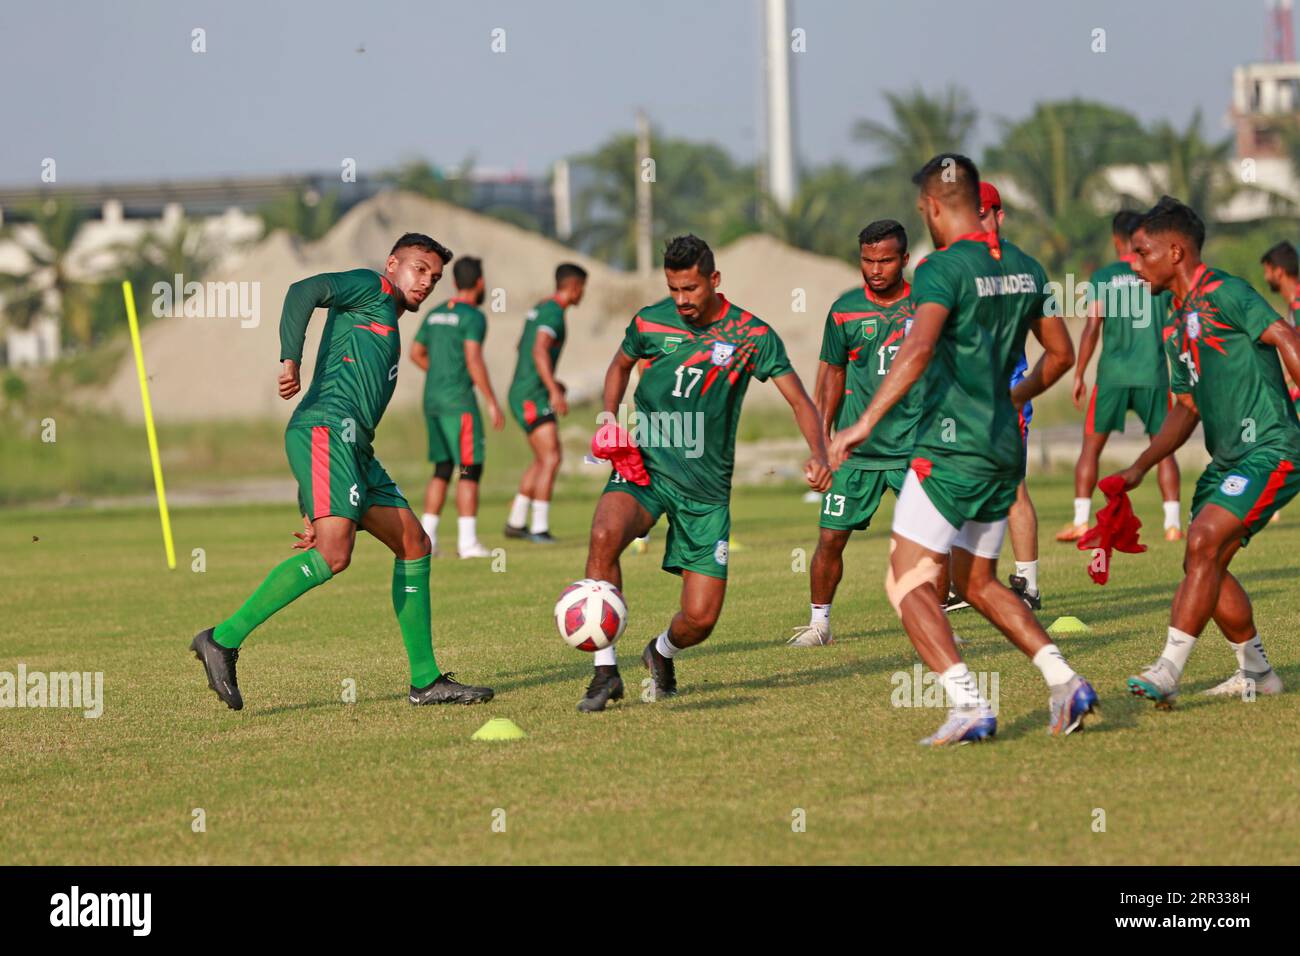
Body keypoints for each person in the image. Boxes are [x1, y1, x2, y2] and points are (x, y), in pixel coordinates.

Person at [829, 154, 1098, 746]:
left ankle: (968, 705)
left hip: (948, 451)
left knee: (906, 584)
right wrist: (1011, 397)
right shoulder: (1027, 269)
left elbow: (919, 348)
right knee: (976, 582)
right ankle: (1064, 679)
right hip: (1003, 446)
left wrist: (862, 422)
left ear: (931, 207)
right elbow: (1061, 355)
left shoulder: (940, 269)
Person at [189, 234, 495, 710]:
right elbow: (302, 291)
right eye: (418, 269)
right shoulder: (371, 287)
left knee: (414, 543)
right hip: (325, 432)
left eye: (434, 277)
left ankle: (426, 680)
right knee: (334, 555)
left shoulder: (388, 318)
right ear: (392, 263)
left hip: (352, 448)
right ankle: (222, 640)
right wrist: (291, 357)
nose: (426, 282)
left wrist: (313, 506)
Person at [575, 235, 831, 712]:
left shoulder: (752, 335)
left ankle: (660, 652)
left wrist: (820, 452)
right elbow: (620, 364)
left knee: (700, 618)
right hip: (645, 467)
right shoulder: (650, 321)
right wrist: (609, 420)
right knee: (605, 533)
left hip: (706, 492)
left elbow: (799, 400)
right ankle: (604, 673)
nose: (682, 300)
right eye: (674, 289)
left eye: (691, 289)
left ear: (714, 280)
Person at [1114, 197, 1299, 706]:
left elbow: (1286, 335)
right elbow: (1187, 406)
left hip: (1271, 446)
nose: (1134, 263)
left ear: (1175, 251)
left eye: (1142, 252)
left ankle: (1168, 669)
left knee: (1203, 542)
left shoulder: (1226, 292)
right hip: (1227, 460)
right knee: (1204, 562)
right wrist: (1139, 466)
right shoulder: (1173, 320)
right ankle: (1258, 672)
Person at [788, 219, 918, 647]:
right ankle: (820, 625)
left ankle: (940, 628)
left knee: (932, 543)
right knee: (829, 538)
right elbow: (833, 378)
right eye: (867, 260)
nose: (876, 269)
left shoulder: (927, 306)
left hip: (913, 447)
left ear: (905, 258)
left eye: (885, 260)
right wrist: (822, 443)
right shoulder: (844, 310)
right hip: (855, 452)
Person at [944, 182, 1043, 610]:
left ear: (999, 216)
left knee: (1013, 488)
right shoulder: (956, 266)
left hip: (1004, 396)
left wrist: (1020, 394)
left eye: (983, 212)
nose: (977, 220)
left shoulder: (1020, 269)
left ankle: (1028, 585)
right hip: (960, 399)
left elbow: (1058, 349)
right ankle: (959, 584)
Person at [1057, 211, 1182, 543]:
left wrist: (1079, 373)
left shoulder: (1104, 277)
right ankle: (1173, 525)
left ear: (1116, 240)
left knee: (1091, 448)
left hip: (1112, 376)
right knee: (1165, 448)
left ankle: (1082, 521)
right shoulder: (1157, 275)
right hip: (1153, 375)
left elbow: (1092, 327)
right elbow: (1180, 321)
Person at [410, 255, 504, 558]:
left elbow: (415, 352)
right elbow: (474, 359)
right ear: (479, 283)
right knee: (469, 469)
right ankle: (467, 543)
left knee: (442, 468)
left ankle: (429, 540)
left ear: (453, 282)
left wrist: (439, 374)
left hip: (432, 400)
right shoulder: (473, 316)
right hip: (458, 403)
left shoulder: (435, 313)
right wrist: (491, 401)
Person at [505, 263, 588, 542]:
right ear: (574, 287)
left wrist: (549, 380)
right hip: (532, 394)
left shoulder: (541, 307)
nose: (582, 294)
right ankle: (539, 527)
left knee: (542, 458)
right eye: (582, 288)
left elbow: (521, 346)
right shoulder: (553, 312)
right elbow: (539, 348)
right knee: (552, 457)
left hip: (526, 389)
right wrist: (552, 388)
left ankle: (516, 522)